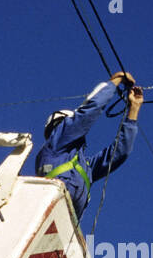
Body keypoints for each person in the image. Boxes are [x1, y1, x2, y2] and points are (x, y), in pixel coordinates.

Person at [35, 71, 143, 219]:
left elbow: (120, 152)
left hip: (66, 219)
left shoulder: (86, 166)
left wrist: (134, 109)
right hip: (52, 205)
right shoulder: (57, 142)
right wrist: (116, 80)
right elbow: (89, 112)